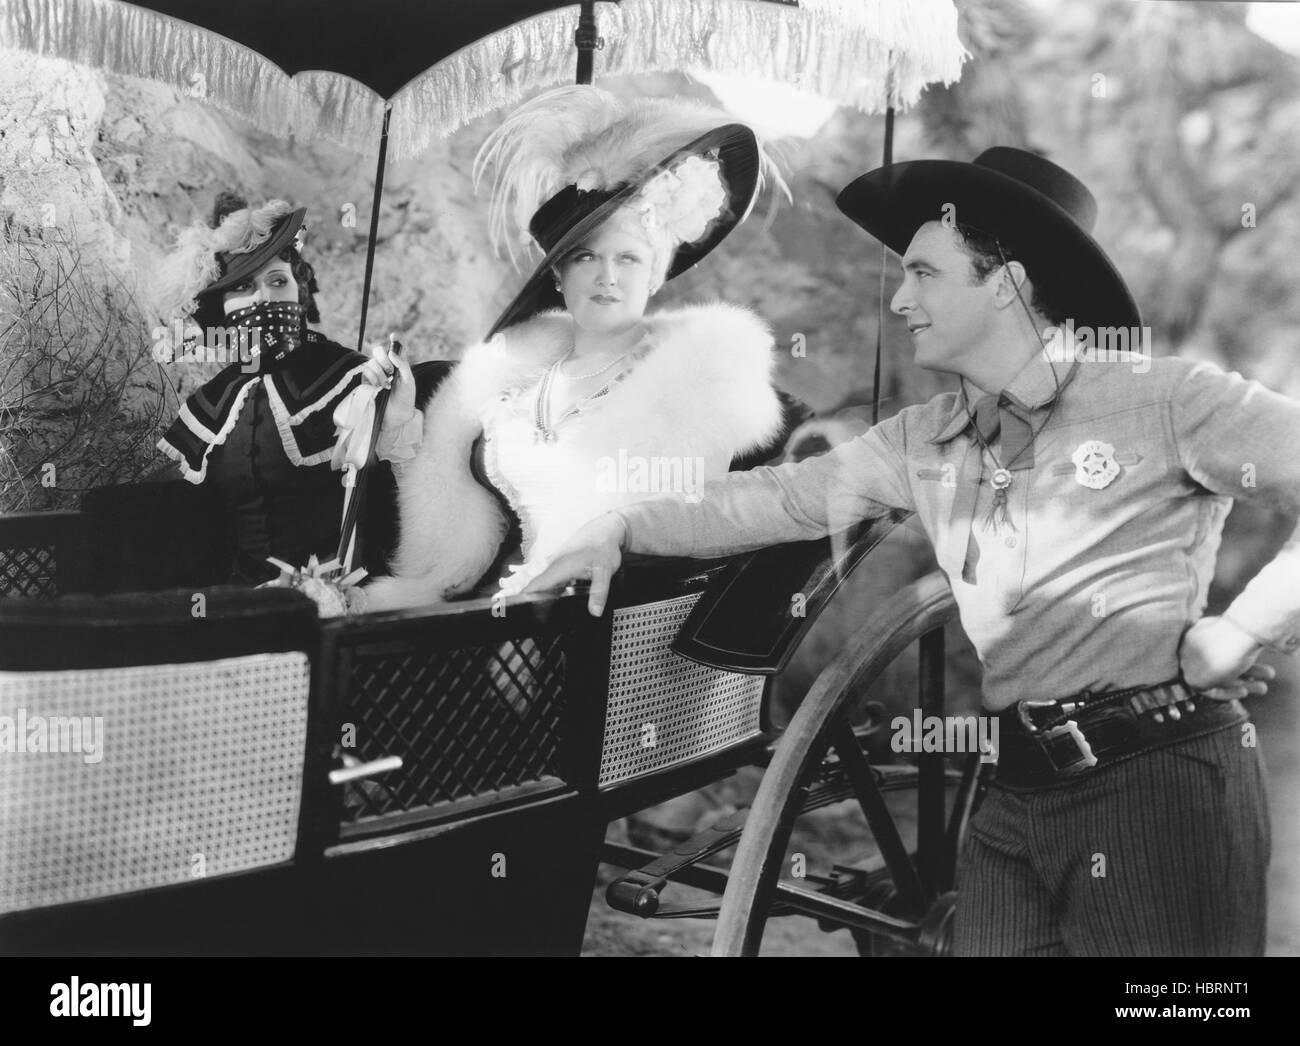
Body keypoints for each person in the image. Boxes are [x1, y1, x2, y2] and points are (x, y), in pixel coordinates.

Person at [522, 147, 1300, 957]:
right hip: (1014, 796)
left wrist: (1243, 630)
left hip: (1156, 789)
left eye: (926, 274)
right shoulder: (922, 437)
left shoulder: (1169, 399)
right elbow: (778, 499)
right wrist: (621, 524)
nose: (901, 298)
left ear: (1005, 283)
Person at [361, 87, 791, 612]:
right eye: (586, 257)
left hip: (602, 627)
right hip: (487, 620)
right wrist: (403, 431)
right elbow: (444, 504)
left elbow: (682, 528)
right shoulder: (517, 377)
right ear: (558, 277)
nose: (606, 277)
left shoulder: (695, 386)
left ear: (656, 275)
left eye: (628, 259)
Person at [153, 193, 418, 587]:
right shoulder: (210, 406)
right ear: (221, 309)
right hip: (241, 611)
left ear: (301, 290)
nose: (261, 297)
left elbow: (403, 497)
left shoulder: (355, 379)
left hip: (341, 608)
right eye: (243, 287)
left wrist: (394, 421)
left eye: (277, 281)